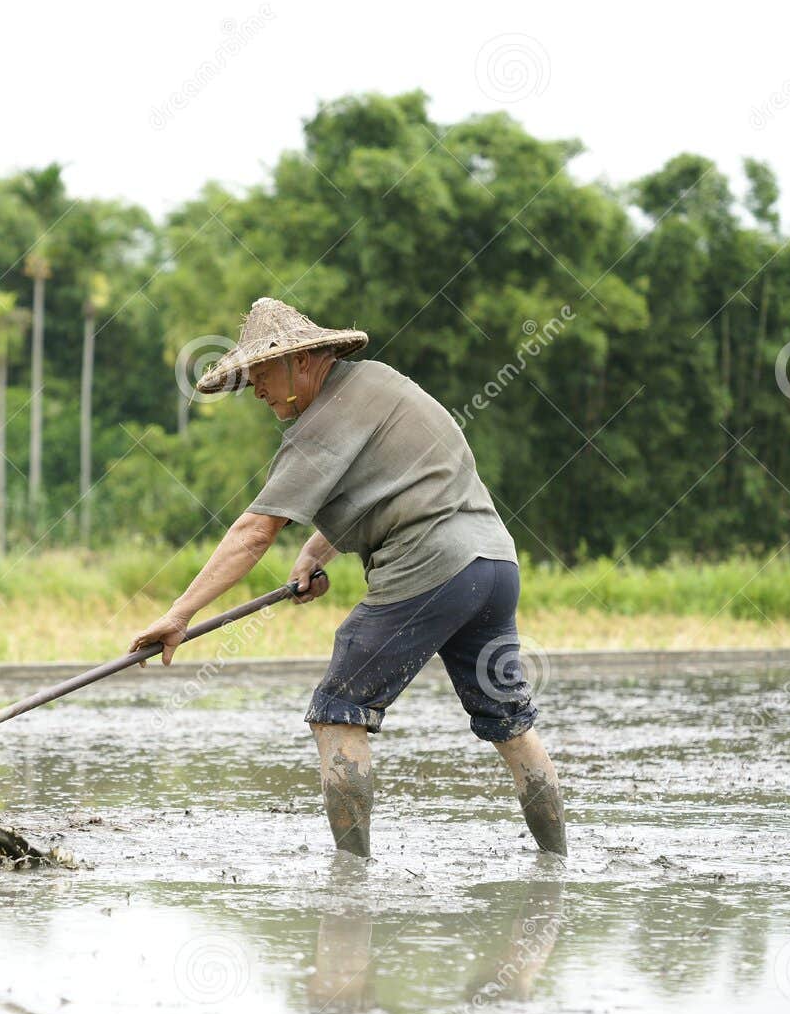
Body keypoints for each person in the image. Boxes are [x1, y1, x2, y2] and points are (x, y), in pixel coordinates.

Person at [129, 297, 567, 858]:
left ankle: (351, 876)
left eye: (261, 374)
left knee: (338, 711)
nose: (256, 390)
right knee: (510, 722)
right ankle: (558, 863)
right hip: (493, 567)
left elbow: (253, 533)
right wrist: (317, 550)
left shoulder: (322, 423)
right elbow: (395, 481)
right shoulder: (381, 385)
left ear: (304, 362)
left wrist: (179, 614)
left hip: (429, 570)